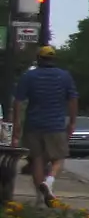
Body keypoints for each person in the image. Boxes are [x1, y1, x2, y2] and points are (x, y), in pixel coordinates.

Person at [11, 45, 79, 204]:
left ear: (39, 59)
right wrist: (73, 122)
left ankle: (40, 198)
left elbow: (18, 101)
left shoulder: (28, 76)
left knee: (37, 160)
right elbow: (73, 99)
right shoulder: (65, 77)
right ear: (54, 59)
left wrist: (17, 123)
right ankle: (49, 181)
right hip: (55, 124)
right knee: (59, 157)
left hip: (33, 125)